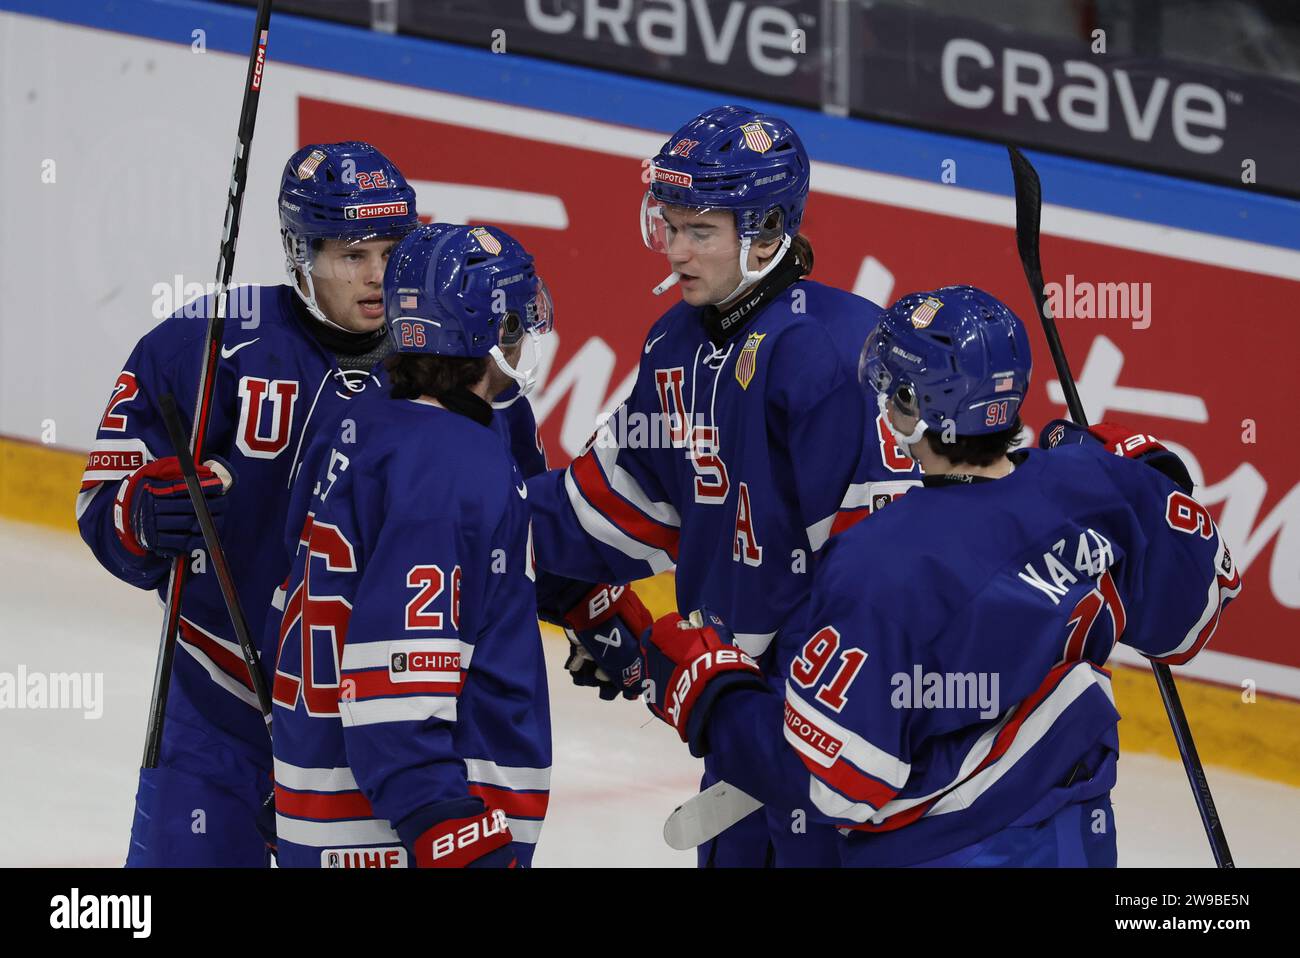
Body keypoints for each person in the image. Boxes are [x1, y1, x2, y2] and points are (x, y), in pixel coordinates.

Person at [637, 285, 1242, 866]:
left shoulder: (882, 563)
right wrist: (1151, 471)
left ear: (915, 408)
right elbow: (1200, 609)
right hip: (1076, 833)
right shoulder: (1097, 484)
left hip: (952, 850)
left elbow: (833, 785)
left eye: (894, 389)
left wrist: (709, 694)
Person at [525, 105, 919, 866]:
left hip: (829, 729)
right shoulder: (674, 343)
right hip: (738, 721)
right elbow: (617, 502)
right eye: (667, 225)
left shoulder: (837, 351)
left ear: (767, 229)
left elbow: (882, 576)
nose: (675, 251)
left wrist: (765, 696)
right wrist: (481, 522)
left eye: (699, 232)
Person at [77, 141, 427, 866]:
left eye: (392, 253)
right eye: (352, 255)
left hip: (367, 727)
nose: (376, 277)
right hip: (216, 701)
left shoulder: (441, 365)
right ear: (301, 253)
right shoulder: (206, 343)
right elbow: (103, 496)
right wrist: (142, 514)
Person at [270, 224, 554, 868]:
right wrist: (442, 821)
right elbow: (400, 673)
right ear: (491, 334)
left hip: (330, 794)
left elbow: (295, 599)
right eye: (516, 320)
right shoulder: (449, 463)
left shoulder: (364, 424)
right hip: (402, 830)